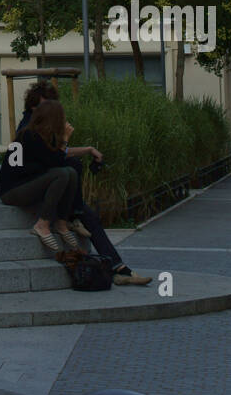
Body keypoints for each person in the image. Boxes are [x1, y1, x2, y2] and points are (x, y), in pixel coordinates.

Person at [14, 81, 152, 286]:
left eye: (51, 105)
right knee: (79, 186)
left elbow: (56, 153)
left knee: (89, 214)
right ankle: (117, 267)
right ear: (33, 106)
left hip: (55, 183)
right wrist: (68, 141)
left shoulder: (41, 123)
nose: (49, 110)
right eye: (45, 105)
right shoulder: (28, 128)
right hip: (44, 186)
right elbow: (53, 157)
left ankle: (119, 269)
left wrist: (88, 149)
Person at [0, 100, 83, 253]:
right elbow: (55, 162)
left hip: (26, 184)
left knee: (71, 172)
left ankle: (61, 223)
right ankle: (42, 224)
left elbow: (53, 161)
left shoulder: (39, 135)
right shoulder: (30, 136)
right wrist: (64, 139)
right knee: (62, 173)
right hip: (12, 191)